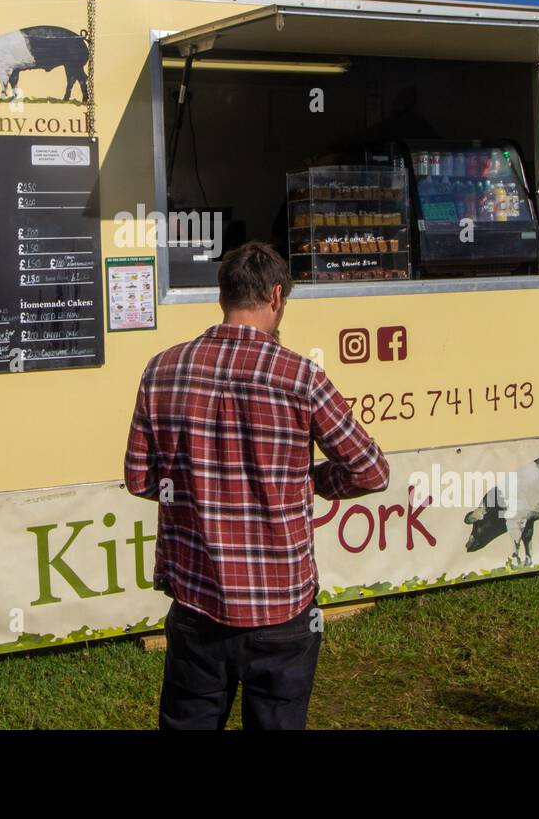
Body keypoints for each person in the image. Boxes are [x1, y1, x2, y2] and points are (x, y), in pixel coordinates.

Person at [124, 241, 390, 730]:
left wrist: (194, 484)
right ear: (275, 296)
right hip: (282, 606)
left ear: (222, 295)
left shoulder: (162, 370)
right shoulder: (301, 377)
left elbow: (139, 479)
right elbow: (371, 470)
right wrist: (311, 480)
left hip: (197, 601)